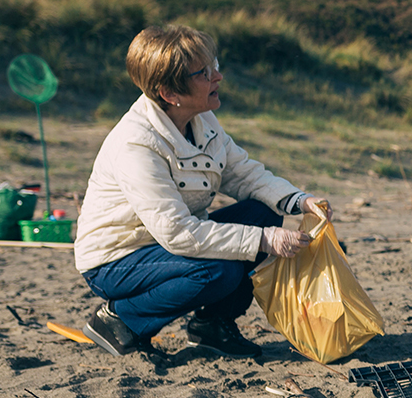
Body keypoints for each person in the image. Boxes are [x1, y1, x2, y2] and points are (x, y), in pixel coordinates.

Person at [73, 25, 330, 364]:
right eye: (204, 73)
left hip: (165, 243)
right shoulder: (136, 145)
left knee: (263, 213)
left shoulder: (202, 118)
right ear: (169, 93)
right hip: (118, 259)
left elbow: (242, 172)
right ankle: (120, 319)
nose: (218, 77)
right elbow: (178, 234)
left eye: (214, 65)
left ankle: (211, 326)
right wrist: (265, 241)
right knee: (217, 272)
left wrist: (299, 200)